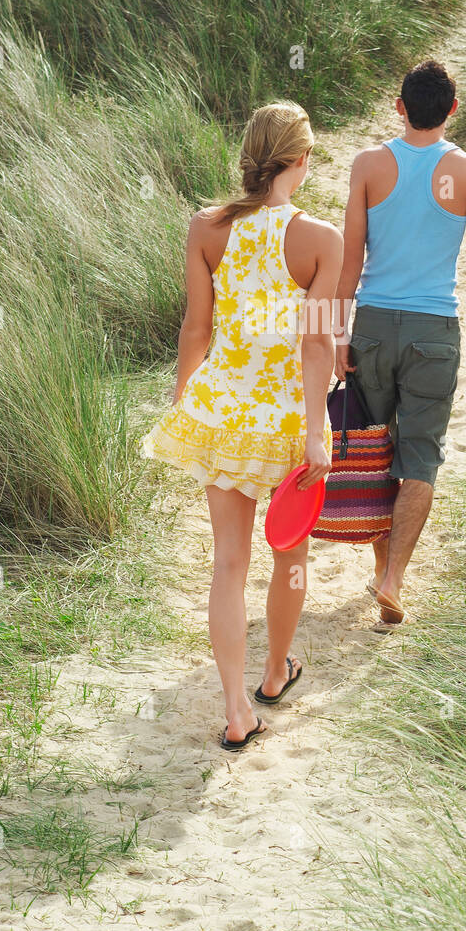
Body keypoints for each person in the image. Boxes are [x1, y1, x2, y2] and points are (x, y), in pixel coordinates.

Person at [141, 102, 343, 750]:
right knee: (290, 556)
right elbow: (317, 348)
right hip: (285, 418)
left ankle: (235, 712)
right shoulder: (320, 240)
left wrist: (184, 405)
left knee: (228, 562)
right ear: (301, 160)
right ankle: (274, 674)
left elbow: (194, 329)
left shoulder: (207, 226)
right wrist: (317, 433)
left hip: (220, 410)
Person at [333, 60, 466, 625]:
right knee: (420, 456)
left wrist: (338, 329)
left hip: (373, 325)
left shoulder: (368, 165)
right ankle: (392, 580)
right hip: (434, 331)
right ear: (453, 110)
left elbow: (350, 257)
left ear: (399, 105)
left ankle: (383, 568)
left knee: (373, 447)